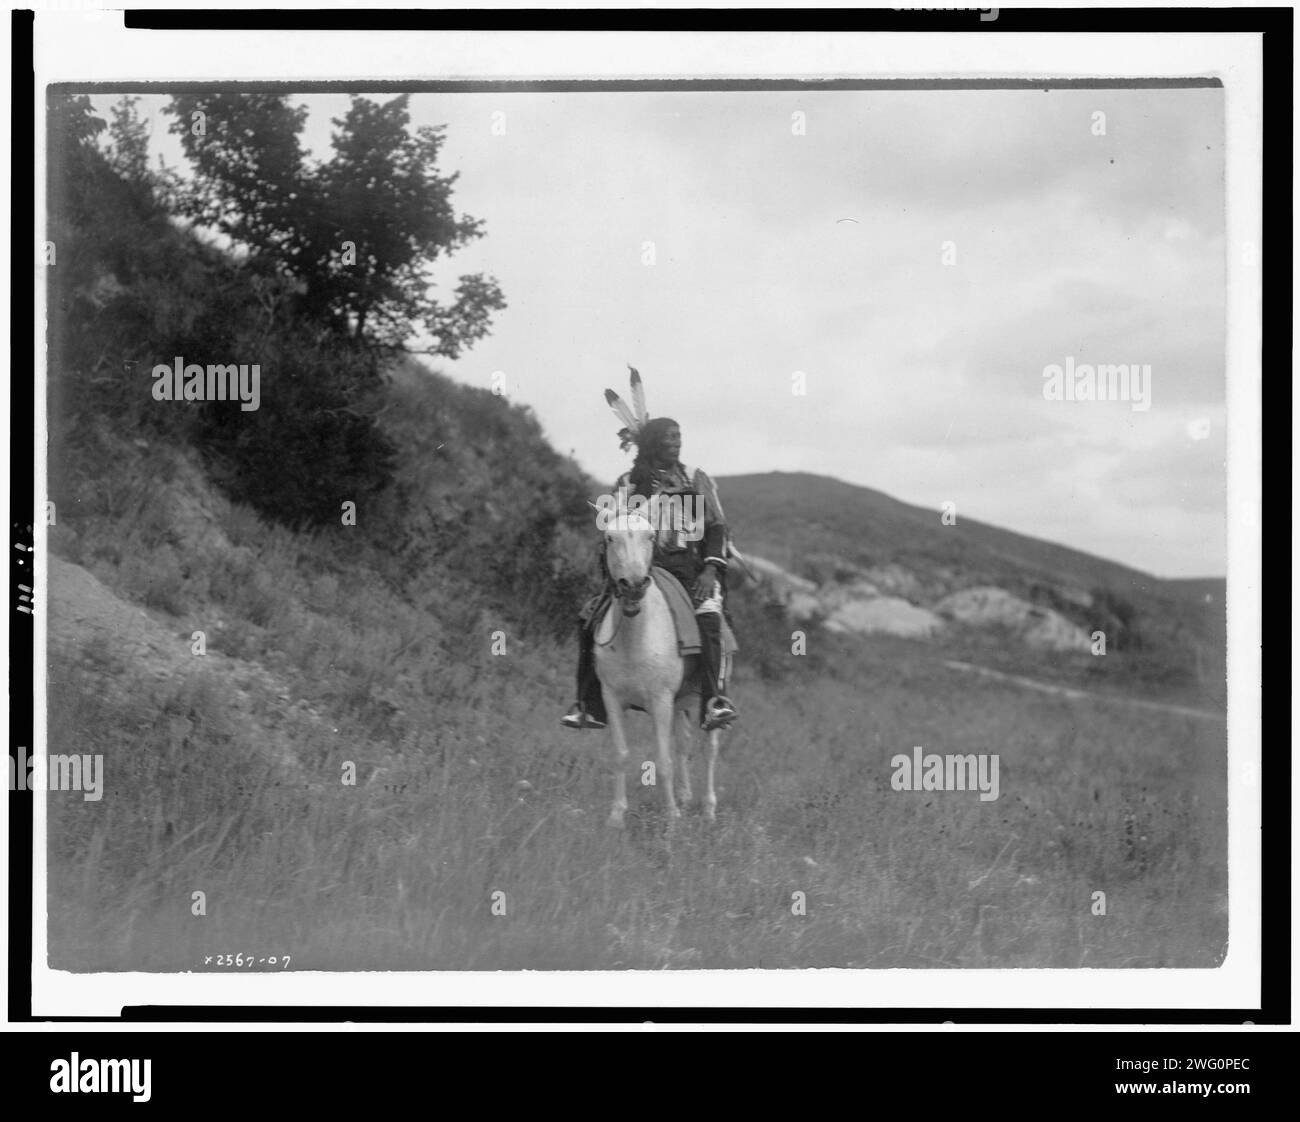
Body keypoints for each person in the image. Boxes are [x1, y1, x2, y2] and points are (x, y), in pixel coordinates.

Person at [561, 416, 739, 732]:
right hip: (639, 568)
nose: (677, 442)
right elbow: (614, 527)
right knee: (588, 619)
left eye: (679, 436)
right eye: (669, 437)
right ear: (654, 443)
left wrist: (710, 569)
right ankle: (589, 706)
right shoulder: (629, 483)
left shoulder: (694, 480)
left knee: (709, 618)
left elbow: (716, 527)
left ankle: (714, 701)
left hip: (688, 571)